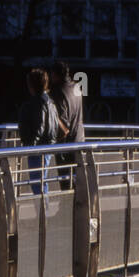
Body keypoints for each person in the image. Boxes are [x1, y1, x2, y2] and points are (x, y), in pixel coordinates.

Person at [17, 67, 60, 196]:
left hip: (37, 148)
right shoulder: (51, 102)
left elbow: (38, 128)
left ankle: (42, 212)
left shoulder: (33, 104)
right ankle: (43, 211)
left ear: (31, 85)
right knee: (42, 181)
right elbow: (54, 126)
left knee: (37, 183)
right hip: (48, 146)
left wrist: (29, 143)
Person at [49, 60, 85, 190]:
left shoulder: (59, 91)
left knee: (65, 182)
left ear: (55, 75)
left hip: (66, 144)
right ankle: (74, 207)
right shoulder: (76, 87)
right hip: (79, 139)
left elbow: (63, 121)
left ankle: (67, 208)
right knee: (75, 179)